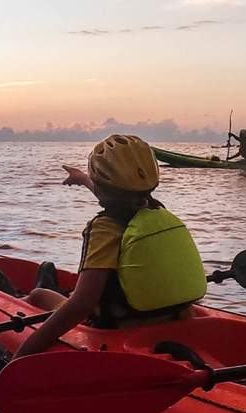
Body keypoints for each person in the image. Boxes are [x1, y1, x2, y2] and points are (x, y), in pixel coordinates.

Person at [11, 134, 207, 358]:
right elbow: (120, 203)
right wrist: (83, 179)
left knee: (38, 294)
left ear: (104, 186)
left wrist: (21, 355)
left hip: (120, 332)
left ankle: (16, 304)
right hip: (177, 323)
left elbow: (81, 305)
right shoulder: (157, 213)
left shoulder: (105, 229)